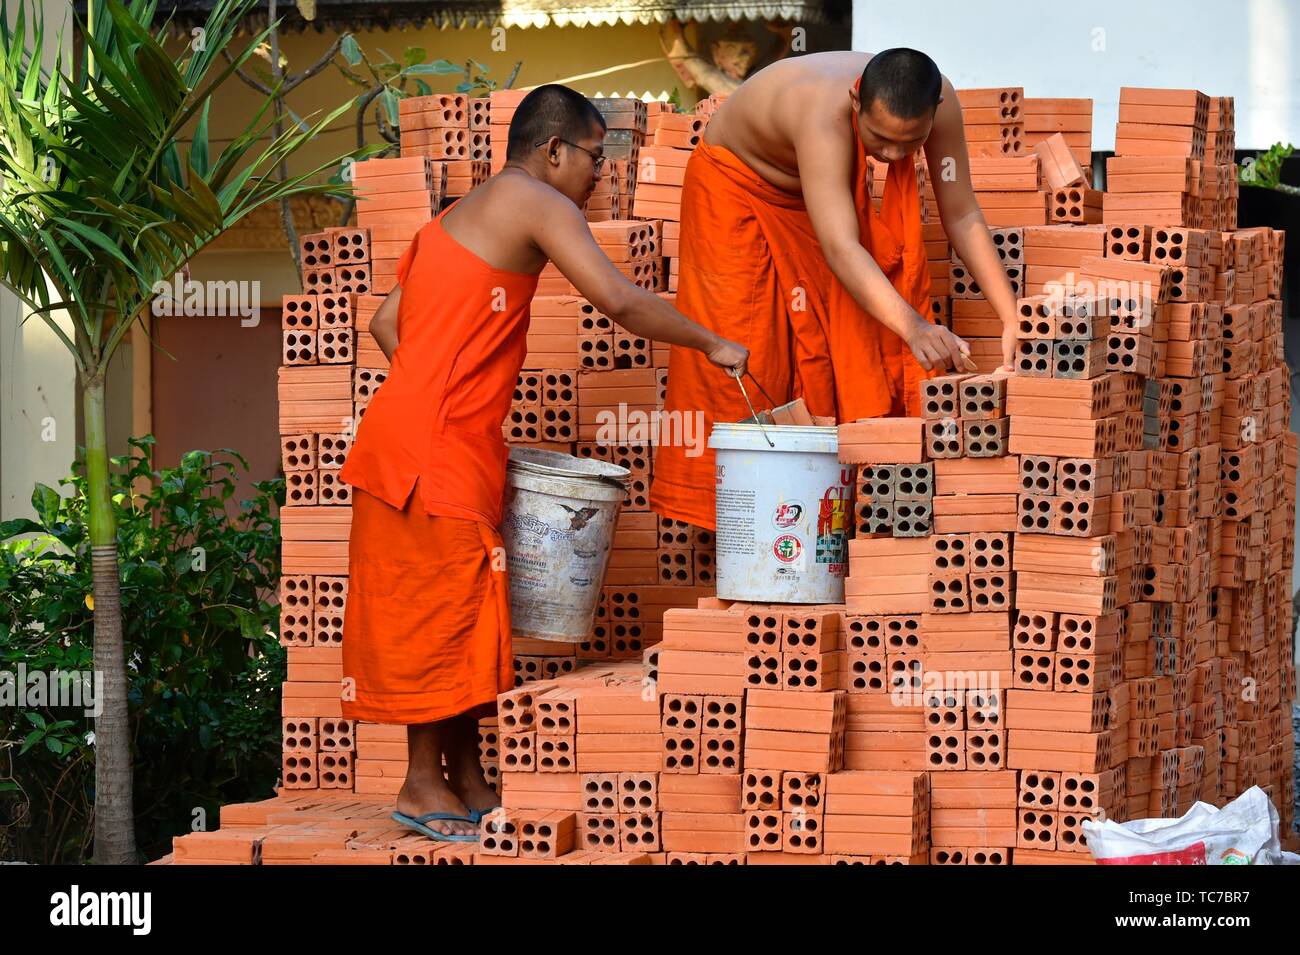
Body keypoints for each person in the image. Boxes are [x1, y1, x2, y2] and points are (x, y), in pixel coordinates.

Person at [338, 84, 749, 840]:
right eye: (597, 156)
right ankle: (423, 782)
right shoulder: (535, 200)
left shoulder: (455, 217)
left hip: (415, 443)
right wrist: (712, 343)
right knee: (442, 614)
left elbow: (386, 322)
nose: (600, 175)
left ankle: (467, 778)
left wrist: (440, 392)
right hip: (435, 455)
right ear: (553, 148)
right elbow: (619, 301)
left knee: (467, 610)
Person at [650, 49, 1020, 530]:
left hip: (816, 198)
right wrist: (914, 327)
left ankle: (824, 523)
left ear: (933, 114)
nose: (892, 156)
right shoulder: (822, 111)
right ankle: (737, 532)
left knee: (832, 345)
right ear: (855, 100)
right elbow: (842, 248)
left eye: (912, 142)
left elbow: (961, 211)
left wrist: (1011, 316)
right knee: (751, 358)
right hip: (737, 189)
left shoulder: (942, 101)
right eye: (880, 139)